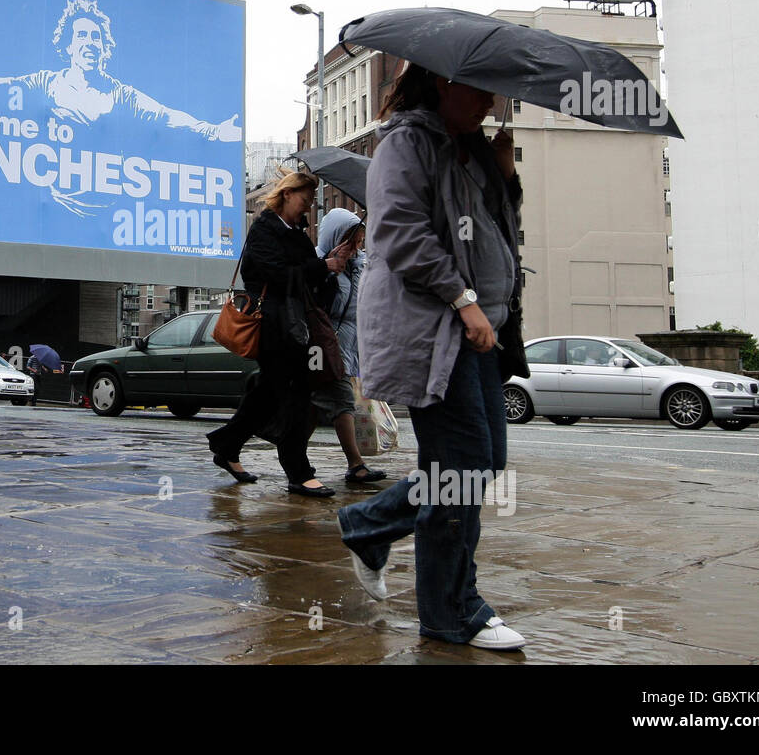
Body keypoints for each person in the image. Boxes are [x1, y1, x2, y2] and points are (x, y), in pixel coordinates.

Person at [336, 63, 530, 651]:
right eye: (480, 88)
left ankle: (369, 526)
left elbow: (500, 232)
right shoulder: (406, 142)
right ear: (445, 82)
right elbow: (398, 232)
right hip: (437, 331)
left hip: (483, 333)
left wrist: (505, 176)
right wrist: (462, 299)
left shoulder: (469, 147)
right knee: (462, 471)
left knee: (479, 465)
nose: (491, 101)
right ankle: (452, 612)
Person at [0, 0, 241, 141]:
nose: (89, 42)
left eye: (95, 37)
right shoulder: (45, 84)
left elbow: (167, 116)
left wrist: (214, 131)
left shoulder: (122, 95)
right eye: (81, 35)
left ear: (104, 48)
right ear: (67, 45)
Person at [205, 171, 355, 497]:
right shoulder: (264, 229)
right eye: (305, 199)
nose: (309, 207)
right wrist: (321, 267)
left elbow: (309, 281)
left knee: (268, 393)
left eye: (312, 201)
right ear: (288, 195)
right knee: (295, 397)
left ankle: (227, 445)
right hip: (273, 326)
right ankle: (299, 473)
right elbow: (276, 274)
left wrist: (332, 265)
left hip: (294, 325)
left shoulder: (298, 234)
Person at [310, 208, 387, 484]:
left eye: (360, 240)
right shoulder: (319, 263)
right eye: (351, 240)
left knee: (313, 406)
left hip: (352, 344)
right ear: (335, 237)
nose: (357, 246)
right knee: (342, 401)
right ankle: (356, 464)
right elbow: (316, 304)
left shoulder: (363, 264)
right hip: (324, 344)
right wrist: (331, 270)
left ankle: (237, 443)